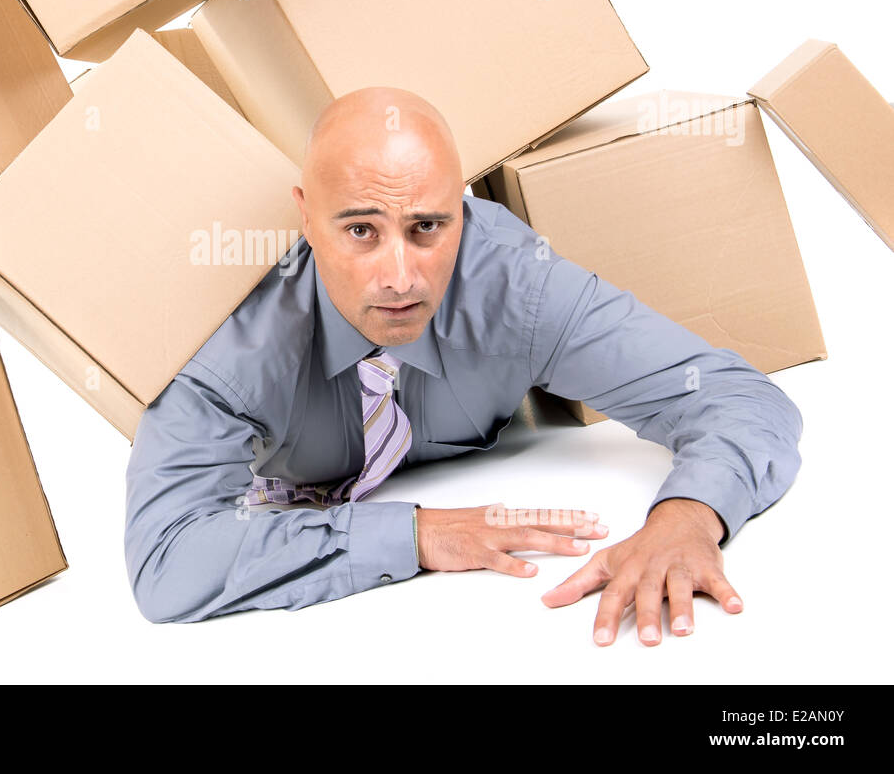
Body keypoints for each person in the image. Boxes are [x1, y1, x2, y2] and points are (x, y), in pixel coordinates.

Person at [124, 86, 802, 646]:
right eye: (360, 230)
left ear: (464, 210)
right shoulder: (237, 351)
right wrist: (416, 533)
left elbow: (734, 393)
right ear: (306, 217)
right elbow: (167, 560)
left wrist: (689, 515)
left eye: (428, 227)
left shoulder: (513, 282)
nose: (399, 276)